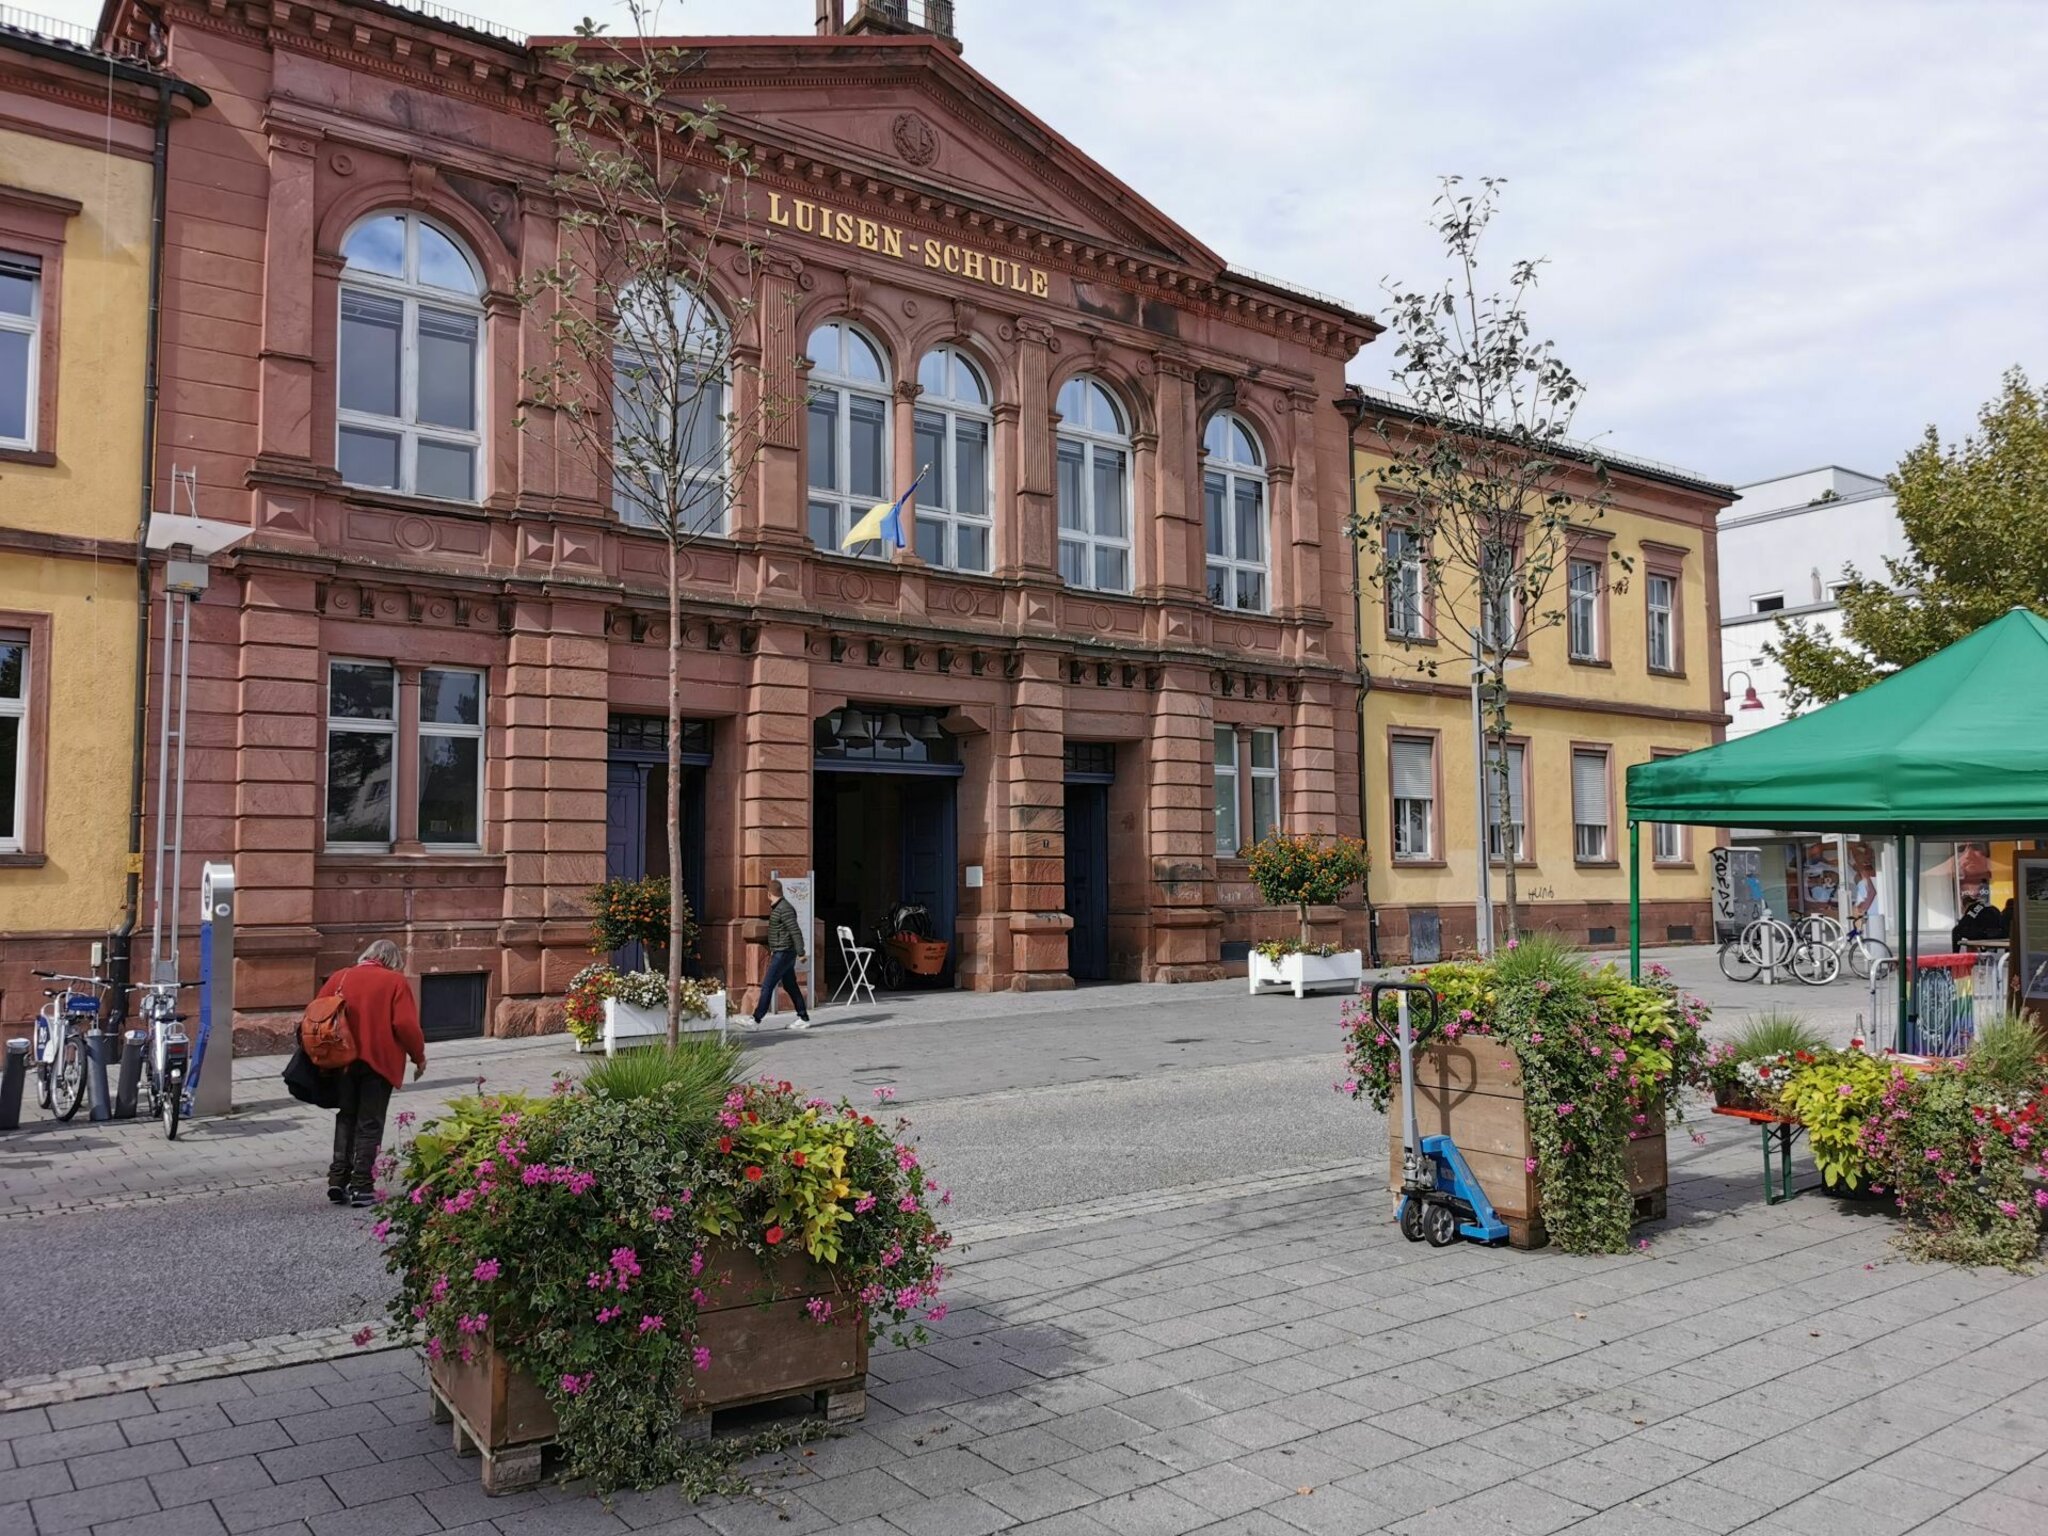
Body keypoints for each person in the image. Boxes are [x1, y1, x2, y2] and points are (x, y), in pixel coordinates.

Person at [316, 939, 427, 1207]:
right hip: (378, 1063)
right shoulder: (394, 982)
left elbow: (317, 1013)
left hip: (342, 1061)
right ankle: (362, 1186)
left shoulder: (340, 977)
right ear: (392, 962)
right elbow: (405, 1024)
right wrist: (418, 1057)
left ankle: (337, 1179)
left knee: (346, 1117)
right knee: (370, 1122)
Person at [753, 877, 812, 1029]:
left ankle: (755, 1020)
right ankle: (803, 1018)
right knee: (790, 985)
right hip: (782, 951)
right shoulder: (779, 907)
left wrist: (801, 952)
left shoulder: (784, 908)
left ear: (769, 894)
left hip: (784, 952)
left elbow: (795, 930)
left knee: (767, 985)